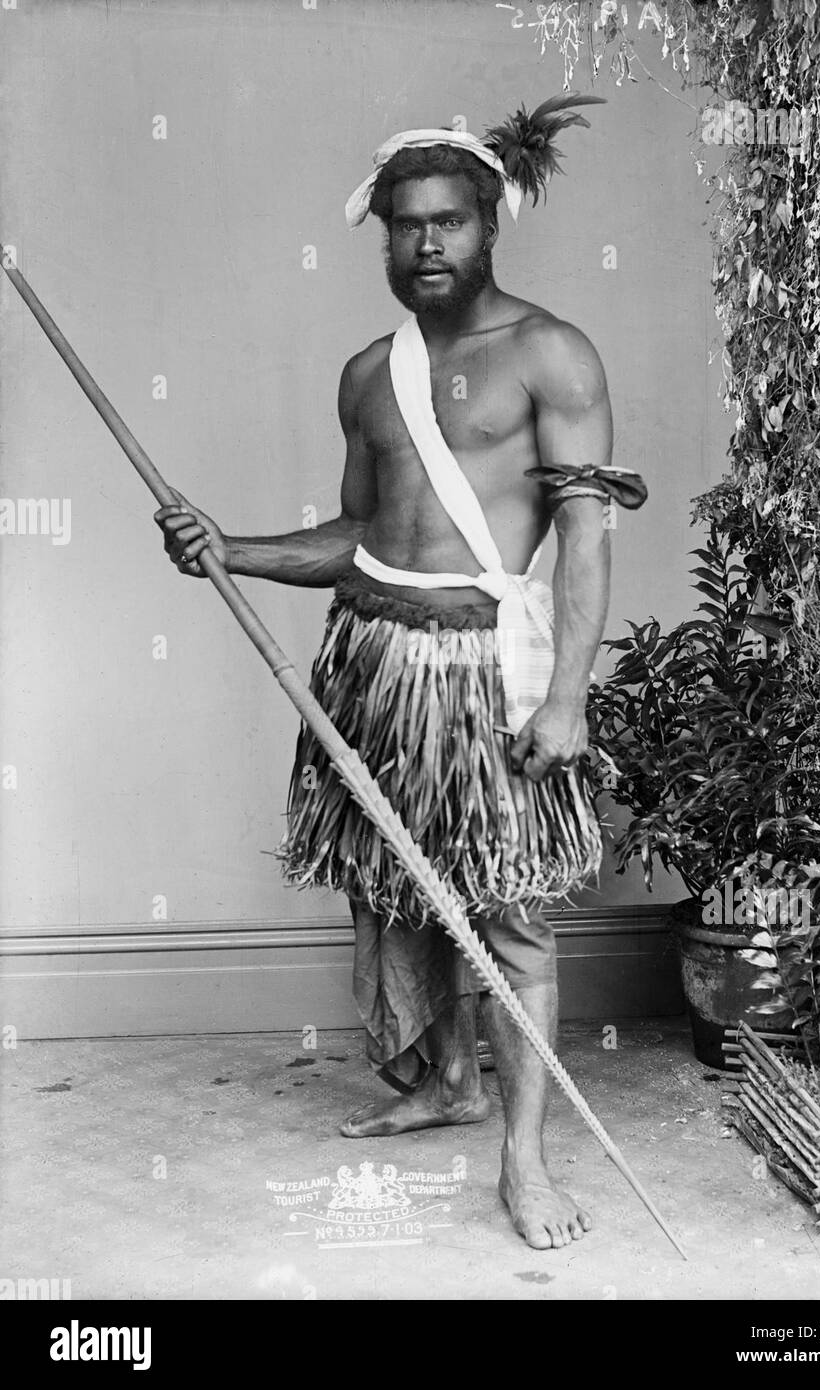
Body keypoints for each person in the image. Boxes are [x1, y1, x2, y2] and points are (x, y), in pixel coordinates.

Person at [155, 100, 647, 1251]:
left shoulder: (551, 353)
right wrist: (232, 548)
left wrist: (567, 695)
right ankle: (446, 1079)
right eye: (405, 226)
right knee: (389, 880)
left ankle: (522, 1160)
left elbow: (586, 539)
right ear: (381, 237)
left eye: (450, 223)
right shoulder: (371, 375)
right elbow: (360, 533)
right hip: (371, 664)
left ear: (491, 226)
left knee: (510, 915)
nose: (427, 245)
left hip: (490, 671)